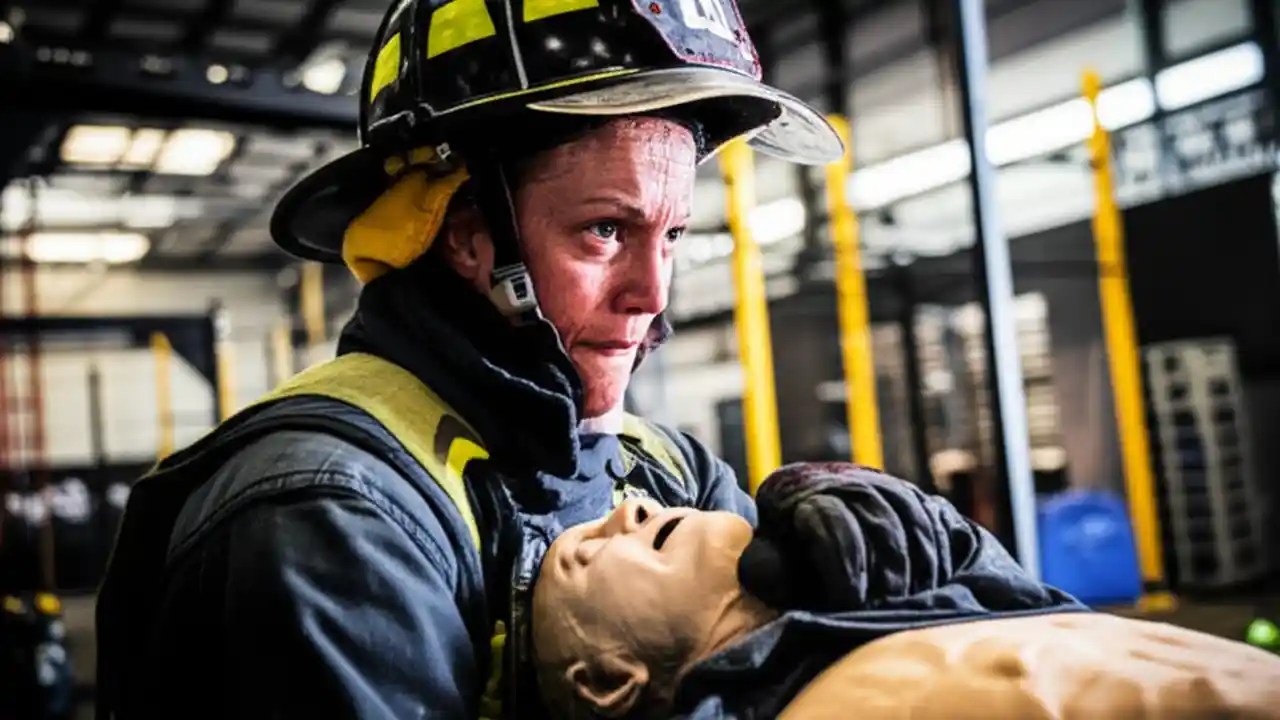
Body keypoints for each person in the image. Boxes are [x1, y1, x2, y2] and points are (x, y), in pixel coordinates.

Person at [92, 1, 844, 718]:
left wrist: (892, 588)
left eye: (672, 235)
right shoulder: (329, 514)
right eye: (606, 231)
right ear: (469, 238)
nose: (652, 293)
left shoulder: (666, 470)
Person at [531, 463, 1280, 720]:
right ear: (608, 682)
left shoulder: (860, 626)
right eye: (584, 559)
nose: (626, 512)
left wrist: (942, 549)